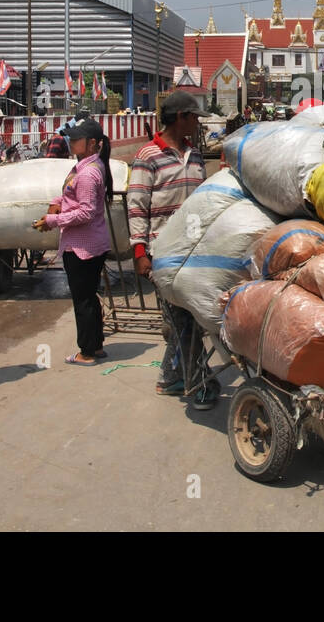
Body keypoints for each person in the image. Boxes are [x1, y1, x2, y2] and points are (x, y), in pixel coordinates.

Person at [128, 90, 212, 408]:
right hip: (163, 252)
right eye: (194, 118)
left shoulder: (196, 154)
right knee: (184, 320)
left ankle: (168, 377)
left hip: (194, 252)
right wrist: (139, 252)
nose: (197, 124)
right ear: (180, 118)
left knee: (186, 319)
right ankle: (199, 385)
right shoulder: (148, 156)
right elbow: (136, 206)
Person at [36, 118, 112, 366]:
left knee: (83, 299)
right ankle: (96, 345)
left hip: (83, 246)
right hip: (83, 243)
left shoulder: (89, 172)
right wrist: (58, 201)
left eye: (77, 139)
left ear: (92, 144)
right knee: (88, 297)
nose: (71, 142)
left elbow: (86, 212)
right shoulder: (82, 166)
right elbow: (71, 193)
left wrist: (52, 220)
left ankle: (87, 351)